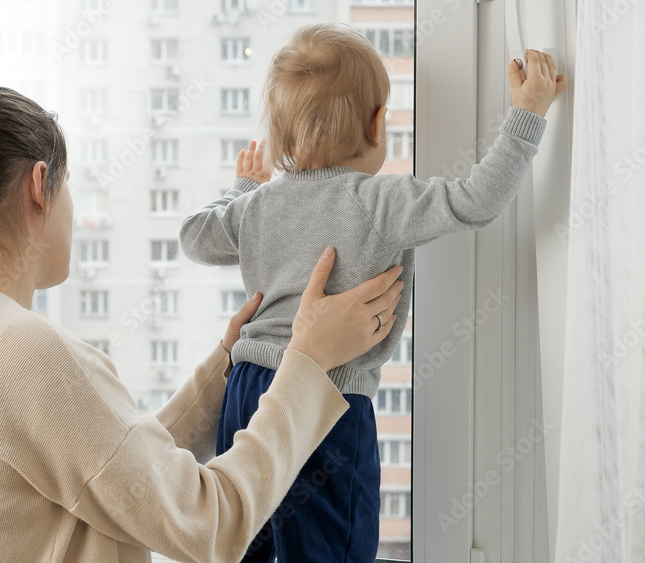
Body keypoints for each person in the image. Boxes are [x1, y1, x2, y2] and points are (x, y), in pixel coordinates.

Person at [0, 85, 405, 563]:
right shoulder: (20, 351)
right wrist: (306, 365)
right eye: (69, 188)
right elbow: (213, 524)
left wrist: (226, 369)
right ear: (39, 186)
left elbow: (113, 472)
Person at [179, 24, 567, 562]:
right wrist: (527, 117)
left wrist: (243, 189)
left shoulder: (257, 207)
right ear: (378, 123)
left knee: (243, 542)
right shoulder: (376, 200)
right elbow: (475, 200)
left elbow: (194, 236)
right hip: (326, 401)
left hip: (245, 392)